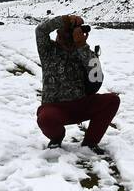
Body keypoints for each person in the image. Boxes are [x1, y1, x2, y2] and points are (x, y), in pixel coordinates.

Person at [34, 14, 120, 149]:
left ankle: (90, 142)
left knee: (112, 100)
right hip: (55, 108)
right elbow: (40, 30)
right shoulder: (48, 51)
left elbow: (97, 76)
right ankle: (57, 137)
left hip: (80, 104)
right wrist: (64, 20)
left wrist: (82, 45)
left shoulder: (83, 51)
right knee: (45, 118)